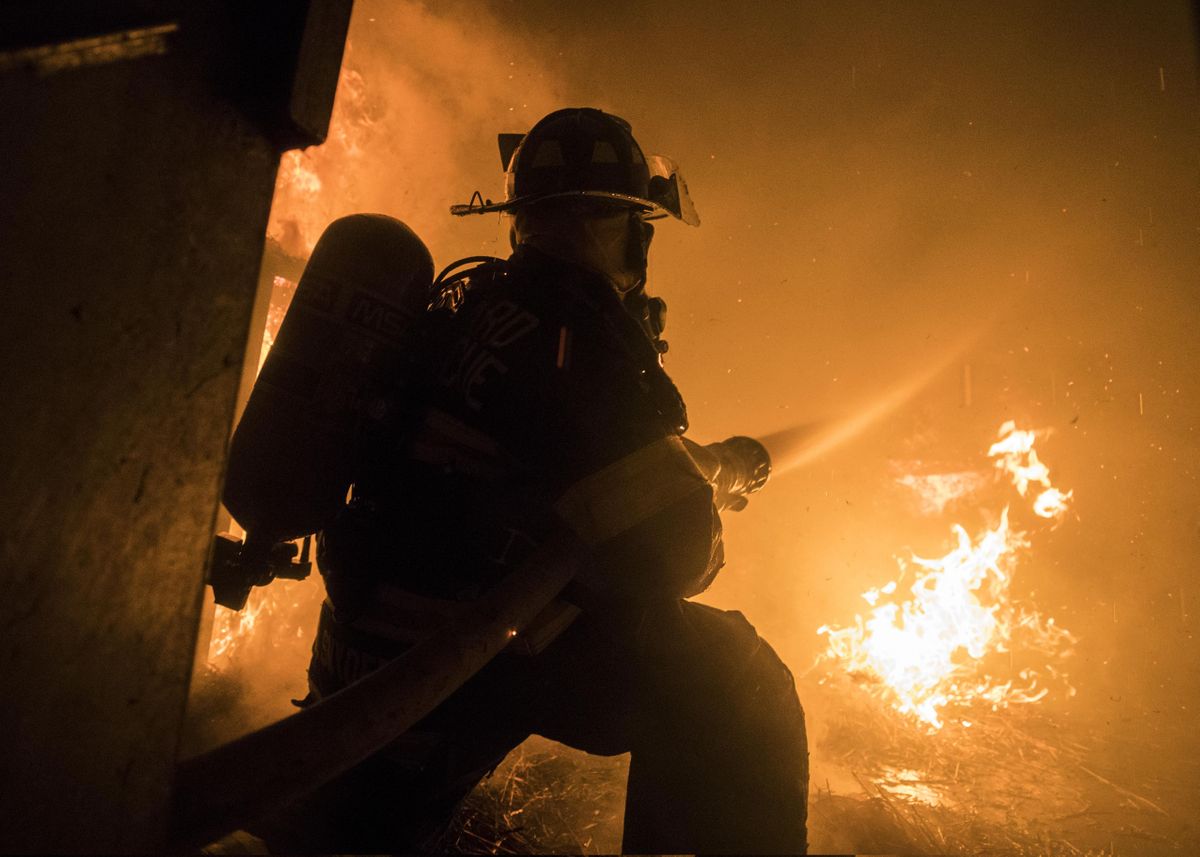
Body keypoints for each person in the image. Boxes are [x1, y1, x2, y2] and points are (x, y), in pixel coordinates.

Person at [259, 107, 808, 854]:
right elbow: (673, 557)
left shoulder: (468, 305)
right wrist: (699, 490)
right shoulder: (578, 338)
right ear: (617, 226)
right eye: (638, 227)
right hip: (477, 650)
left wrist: (678, 465)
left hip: (367, 636)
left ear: (522, 221)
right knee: (736, 674)